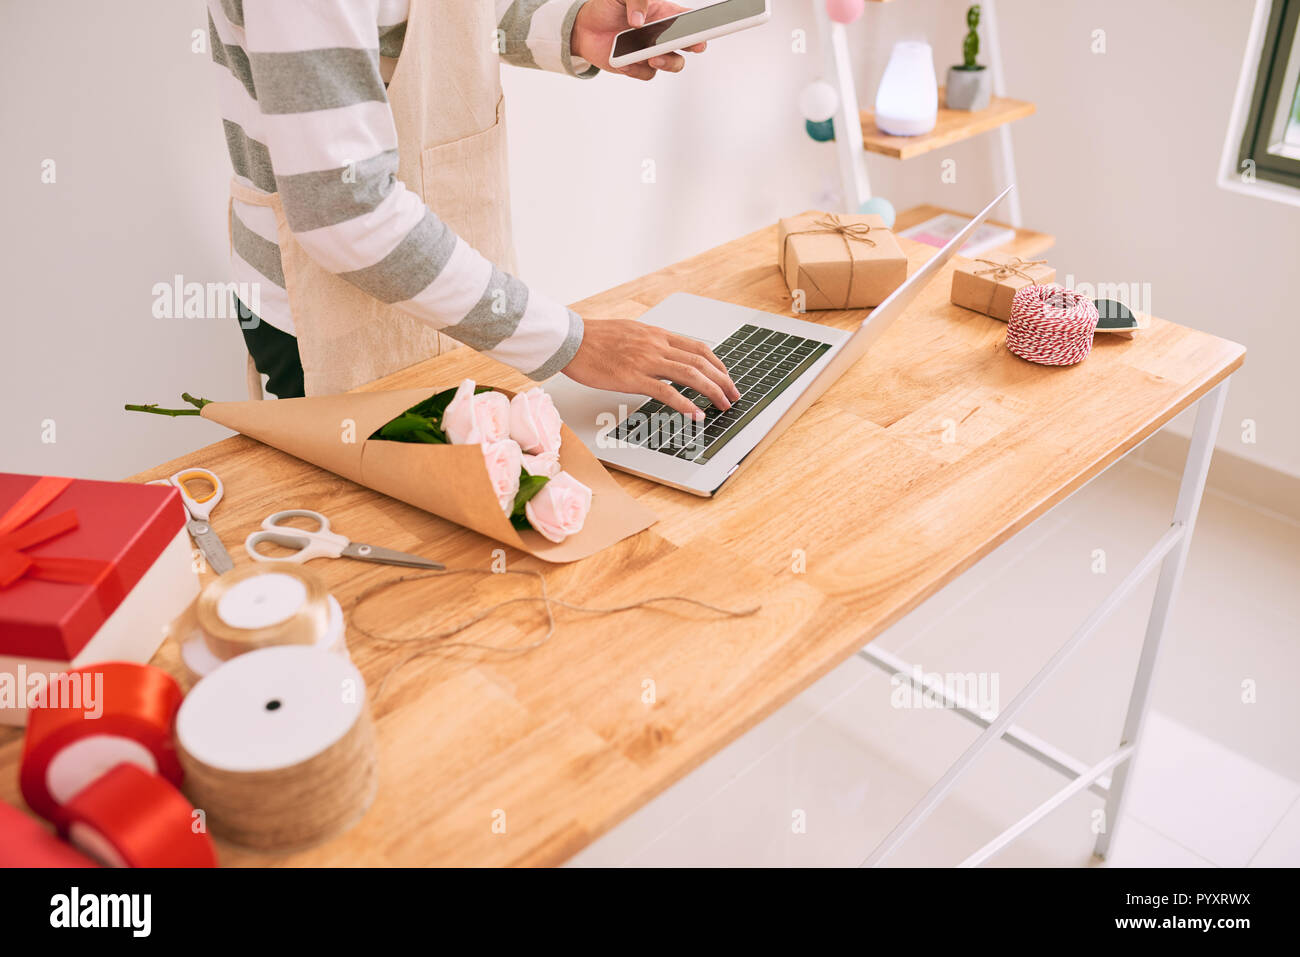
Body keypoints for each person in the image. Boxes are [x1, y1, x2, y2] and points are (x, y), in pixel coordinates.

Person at [208, 0, 738, 420]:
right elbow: (344, 211)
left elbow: (438, 16)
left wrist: (573, 26)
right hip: (322, 318)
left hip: (462, 290)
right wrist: (570, 342)